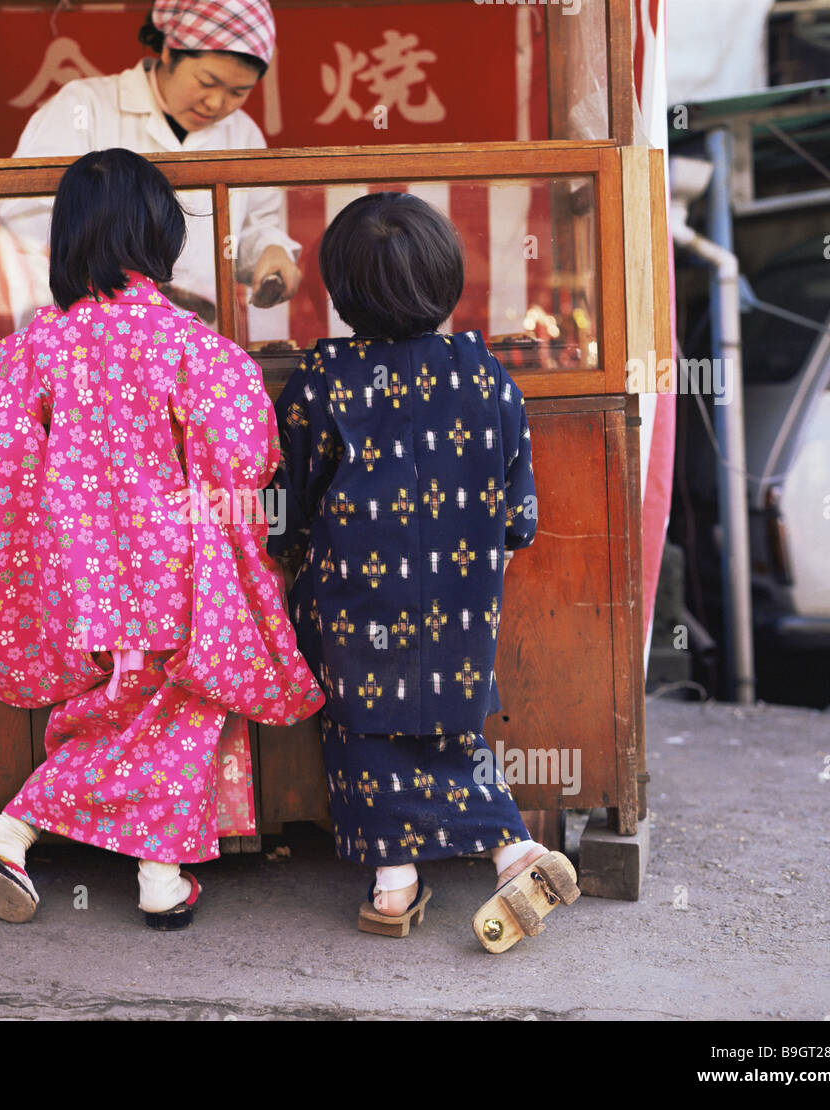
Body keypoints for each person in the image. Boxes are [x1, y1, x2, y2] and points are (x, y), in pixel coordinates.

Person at [0, 148, 323, 930]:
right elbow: (243, 454)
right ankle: (28, 833)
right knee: (180, 705)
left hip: (77, 572)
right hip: (177, 565)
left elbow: (1, 450)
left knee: (128, 705)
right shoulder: (190, 345)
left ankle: (153, 870)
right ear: (160, 238)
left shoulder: (36, 348)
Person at [268, 192, 579, 952]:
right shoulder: (485, 374)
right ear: (447, 282)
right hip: (460, 599)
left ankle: (395, 883)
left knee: (360, 731)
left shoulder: (322, 377)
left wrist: (290, 552)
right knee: (451, 727)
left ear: (340, 294)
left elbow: (287, 508)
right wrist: (495, 544)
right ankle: (514, 852)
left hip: (350, 599)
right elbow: (518, 513)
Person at [0, 0, 301, 324]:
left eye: (238, 92)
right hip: (88, 334)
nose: (216, 103)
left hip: (194, 342)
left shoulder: (243, 133)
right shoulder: (84, 107)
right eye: (206, 82)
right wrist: (115, 272)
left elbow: (255, 225)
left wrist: (270, 251)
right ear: (169, 52)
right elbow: (24, 214)